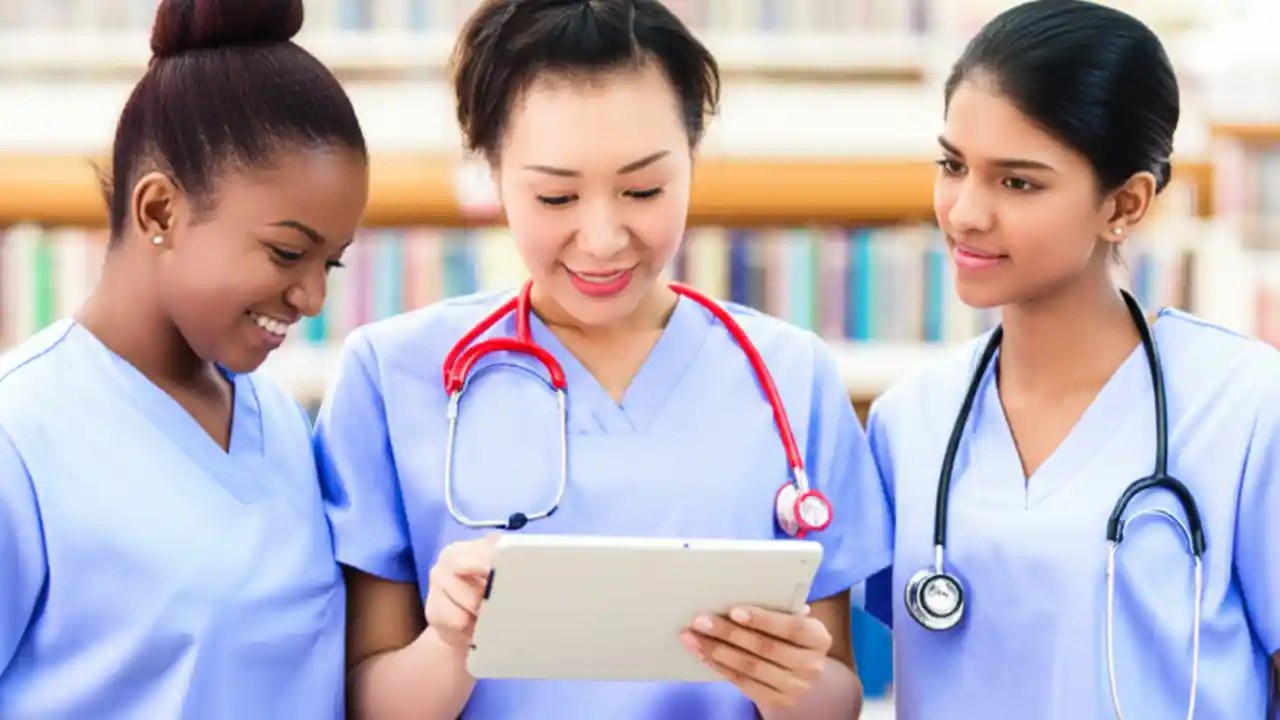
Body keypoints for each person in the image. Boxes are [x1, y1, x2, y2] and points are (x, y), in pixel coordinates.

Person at [312, 1, 892, 718]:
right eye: (555, 195)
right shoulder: (391, 375)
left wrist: (786, 679)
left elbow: (836, 696)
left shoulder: (791, 375)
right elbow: (367, 703)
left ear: (692, 155)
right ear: (492, 171)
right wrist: (450, 644)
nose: (602, 238)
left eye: (644, 190)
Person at [865, 1, 1280, 718]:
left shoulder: (1244, 407)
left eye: (1017, 181)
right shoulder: (910, 421)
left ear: (1123, 203)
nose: (965, 211)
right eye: (953, 165)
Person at [0, 1, 369, 717]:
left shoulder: (283, 427)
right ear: (159, 212)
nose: (314, 296)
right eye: (288, 253)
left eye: (334, 262)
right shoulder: (20, 437)